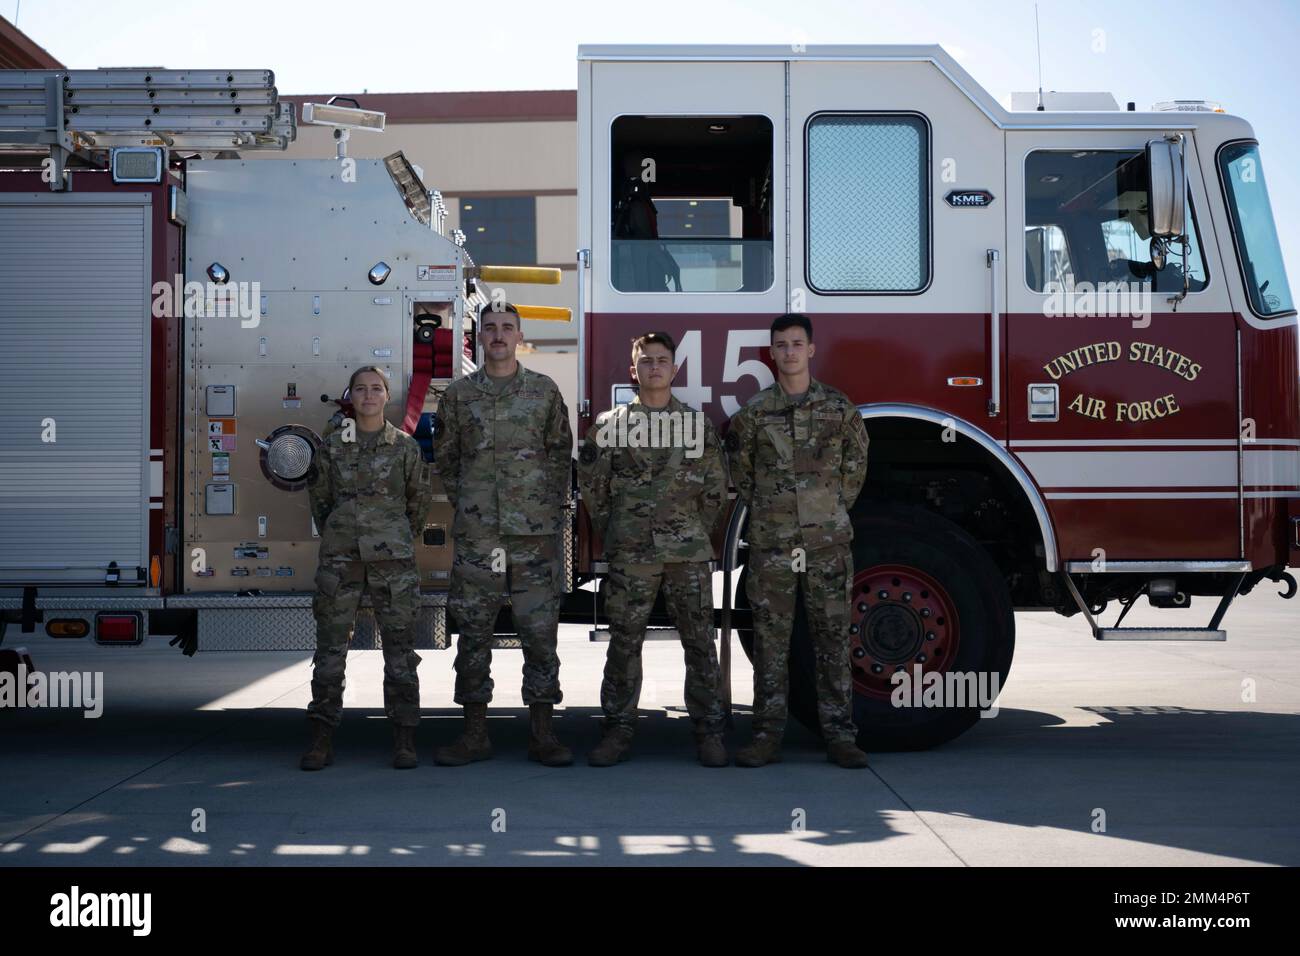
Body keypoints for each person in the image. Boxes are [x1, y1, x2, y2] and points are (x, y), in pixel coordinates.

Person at [726, 313, 871, 769]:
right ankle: (767, 736)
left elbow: (856, 466)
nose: (788, 352)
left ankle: (840, 737)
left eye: (796, 344)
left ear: (810, 350)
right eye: (780, 345)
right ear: (771, 354)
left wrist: (826, 509)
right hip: (773, 545)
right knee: (771, 643)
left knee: (831, 640)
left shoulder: (839, 408)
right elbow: (742, 475)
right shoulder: (754, 414)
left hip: (827, 544)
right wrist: (778, 513)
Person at [433, 303, 574, 767]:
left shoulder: (543, 391)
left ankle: (543, 734)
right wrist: (473, 505)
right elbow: (447, 462)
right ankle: (474, 735)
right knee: (474, 633)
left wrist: (542, 511)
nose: (498, 335)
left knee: (540, 633)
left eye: (506, 328)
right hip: (479, 537)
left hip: (533, 536)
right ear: (479, 336)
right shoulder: (458, 397)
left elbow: (559, 457)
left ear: (519, 335)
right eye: (490, 328)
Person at [578, 331, 729, 767]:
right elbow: (594, 488)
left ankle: (709, 732)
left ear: (675, 369)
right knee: (624, 643)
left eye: (662, 360)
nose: (655, 367)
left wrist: (691, 530)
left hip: (687, 552)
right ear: (633, 370)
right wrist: (621, 529)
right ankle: (617, 731)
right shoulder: (610, 426)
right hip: (632, 553)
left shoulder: (697, 426)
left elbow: (716, 490)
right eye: (646, 361)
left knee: (700, 642)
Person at [301, 366, 434, 771]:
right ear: (352, 397)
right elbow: (320, 500)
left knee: (399, 655)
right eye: (360, 389)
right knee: (329, 654)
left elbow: (419, 504)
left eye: (376, 389)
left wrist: (391, 535)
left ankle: (404, 740)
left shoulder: (405, 448)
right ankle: (321, 739)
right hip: (340, 561)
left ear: (386, 396)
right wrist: (343, 533)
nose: (368, 395)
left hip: (393, 563)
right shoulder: (332, 446)